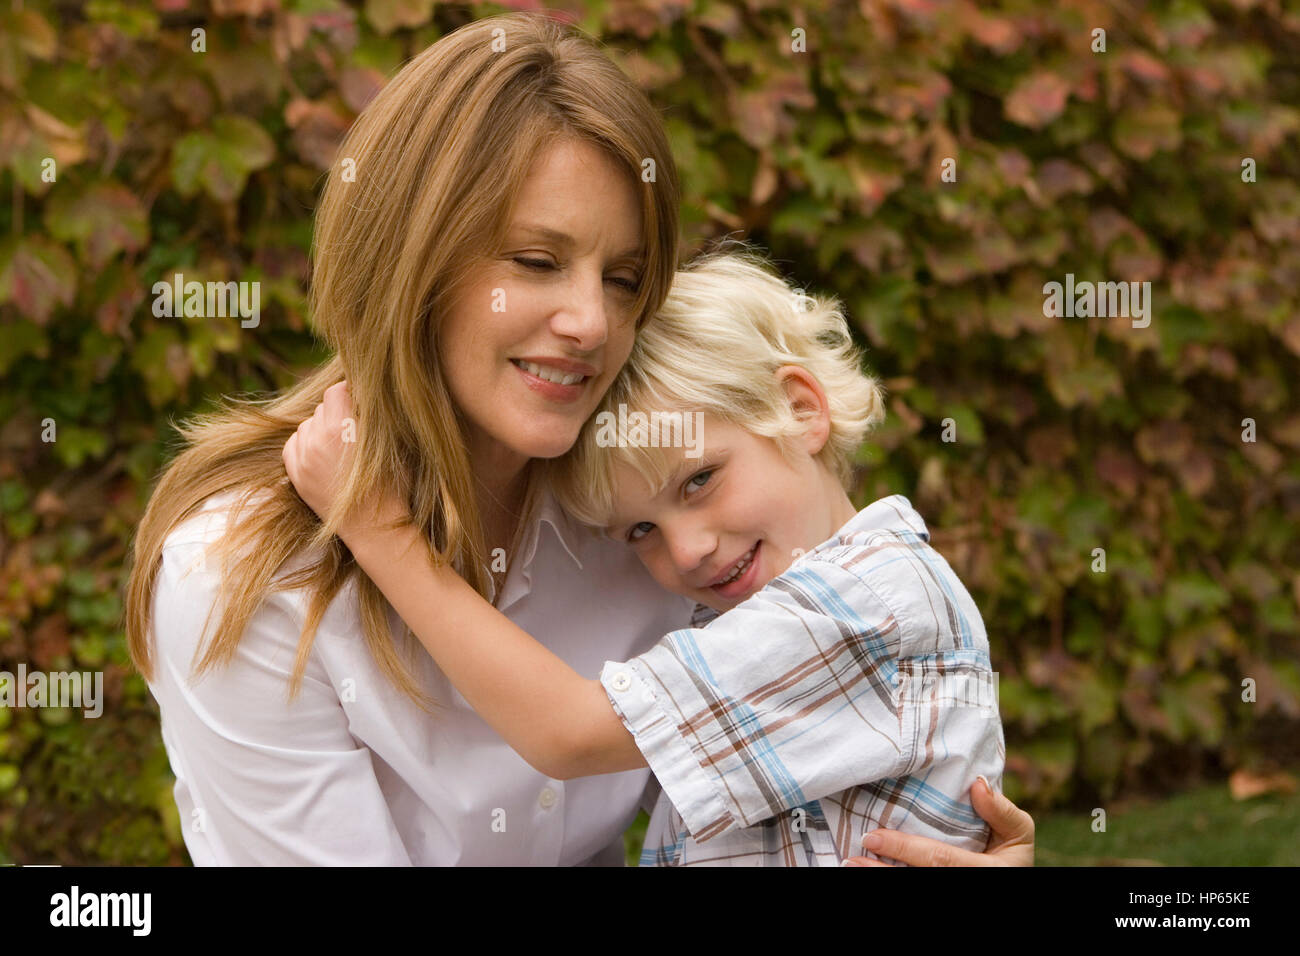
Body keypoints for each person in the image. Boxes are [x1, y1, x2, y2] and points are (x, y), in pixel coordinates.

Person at [126, 11, 1033, 866]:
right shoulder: (242, 577)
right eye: (536, 262)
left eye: (625, 275)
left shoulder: (637, 511)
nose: (592, 322)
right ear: (412, 258)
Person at [283, 249, 1006, 865]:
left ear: (799, 409)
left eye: (700, 480)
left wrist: (380, 531)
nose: (687, 549)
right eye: (639, 531)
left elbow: (569, 733)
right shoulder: (816, 597)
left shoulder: (862, 606)